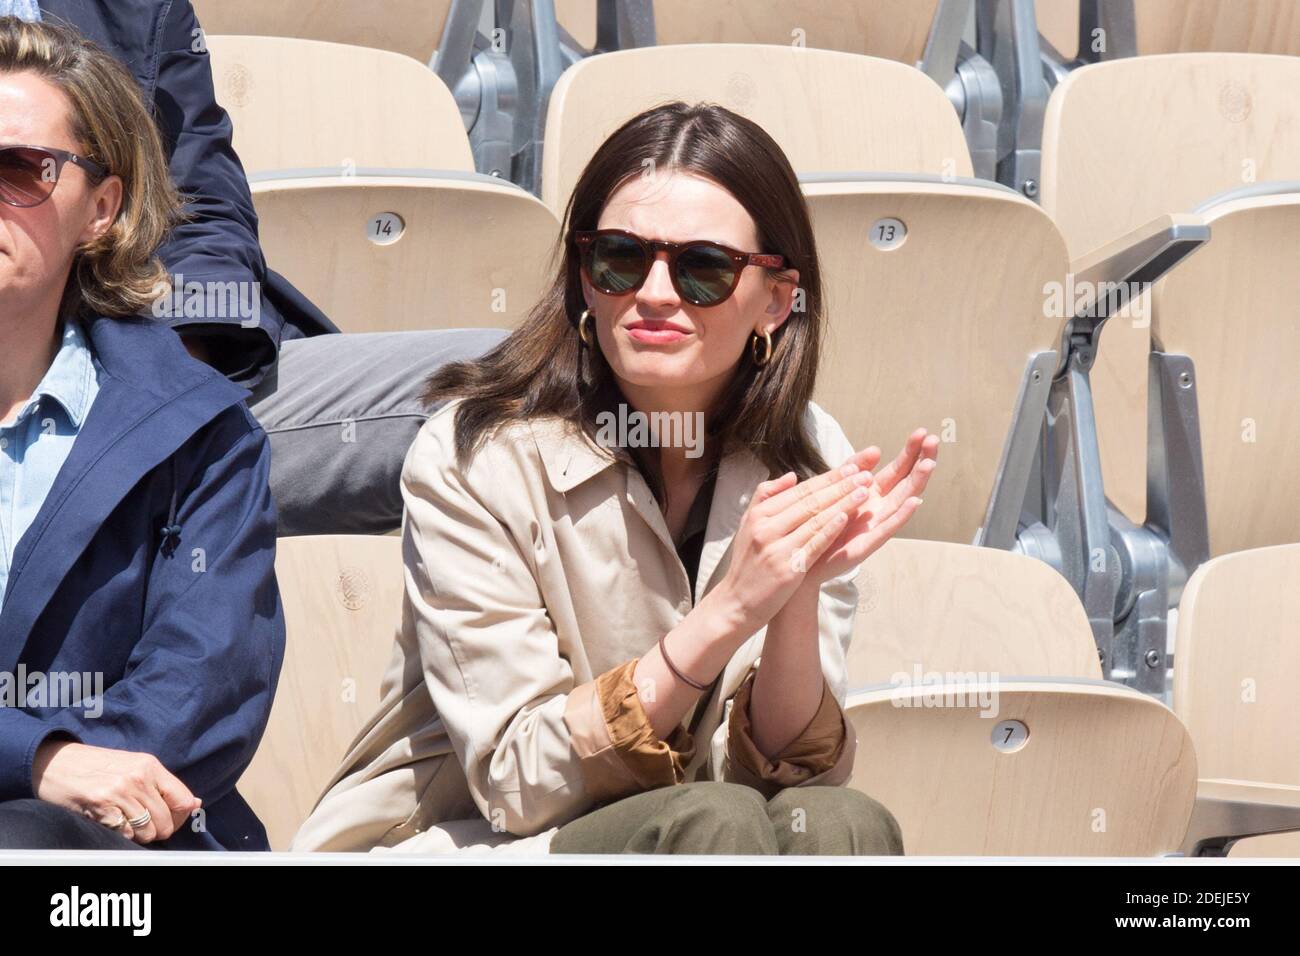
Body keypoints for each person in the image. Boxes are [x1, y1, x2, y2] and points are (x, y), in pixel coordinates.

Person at [294, 102, 940, 856]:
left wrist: (795, 593)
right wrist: (728, 612)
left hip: (688, 833)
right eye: (621, 259)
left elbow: (780, 780)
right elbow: (519, 783)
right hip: (466, 841)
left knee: (844, 824)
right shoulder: (474, 455)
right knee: (711, 821)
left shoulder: (807, 447)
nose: (656, 293)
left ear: (776, 300)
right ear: (585, 280)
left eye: (704, 268)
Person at [16, 0, 506, 535]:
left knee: (523, 387)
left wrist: (178, 362)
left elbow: (201, 206)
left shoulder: (136, 8)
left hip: (143, 366)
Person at [0, 16, 283, 850]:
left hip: (112, 852)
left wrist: (54, 788)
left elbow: (202, 687)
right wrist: (38, 756)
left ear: (102, 209)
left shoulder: (201, 435)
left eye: (21, 169)